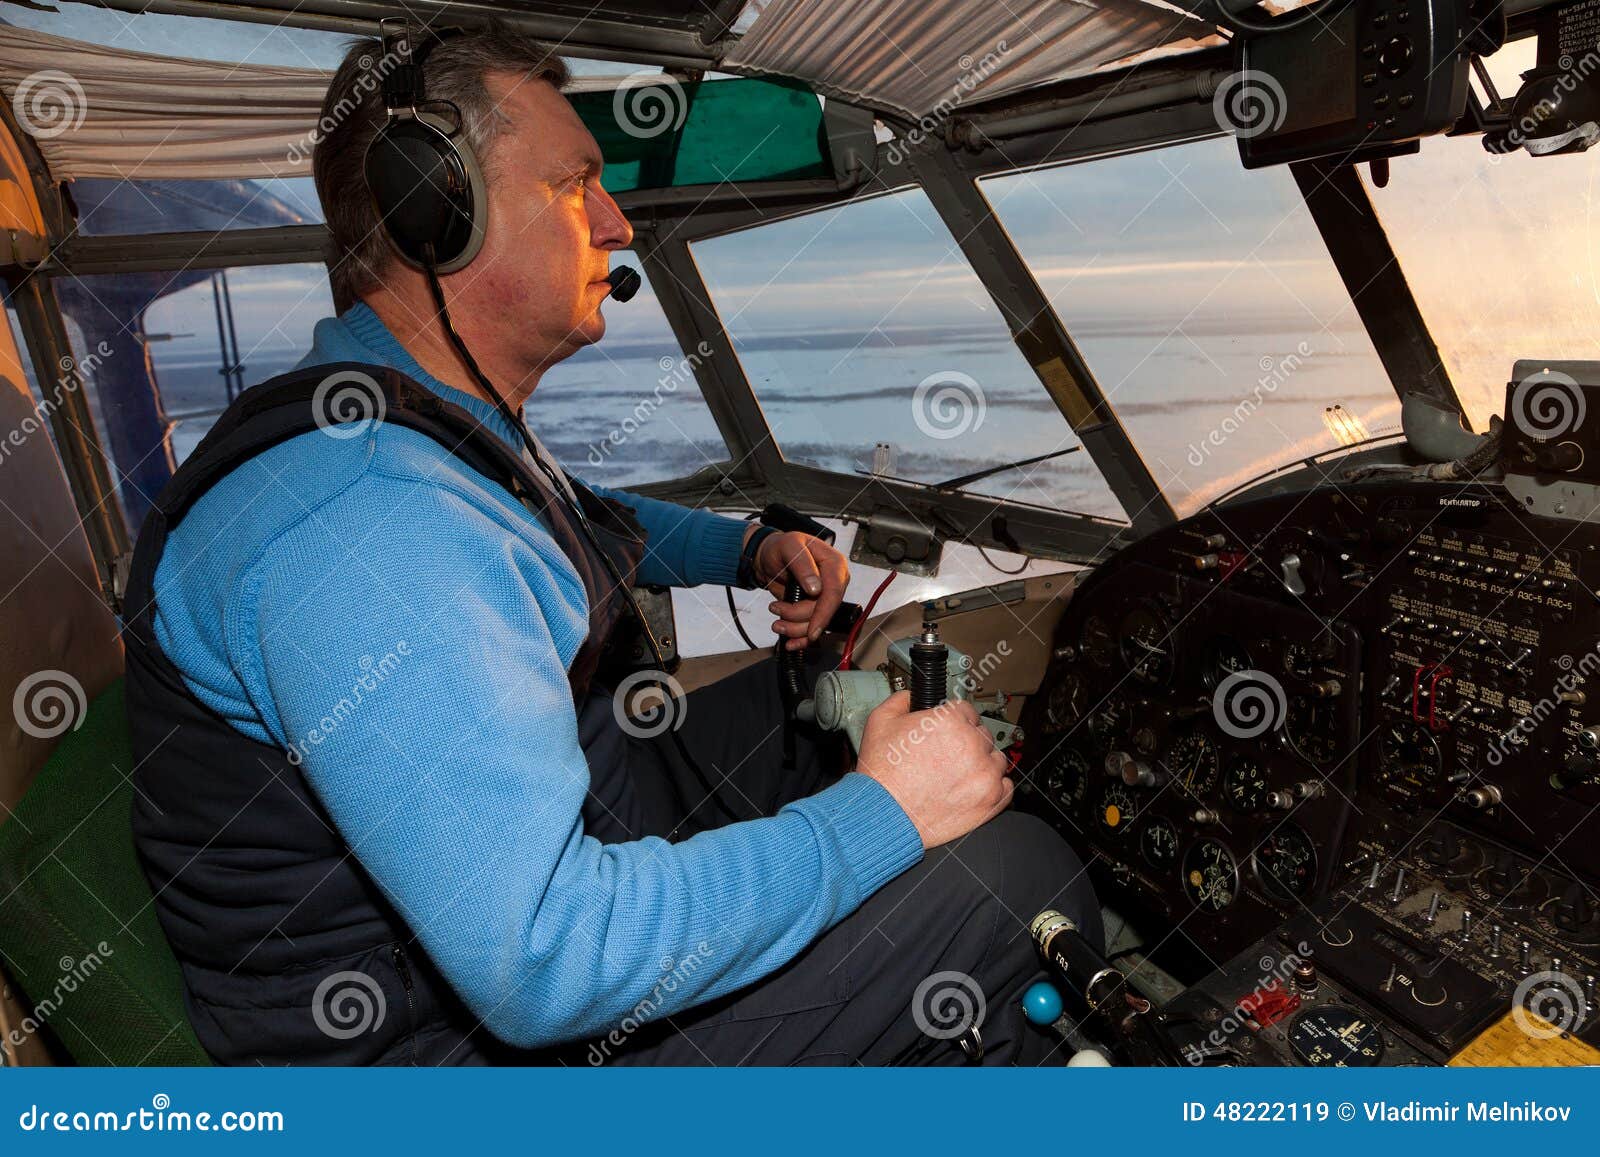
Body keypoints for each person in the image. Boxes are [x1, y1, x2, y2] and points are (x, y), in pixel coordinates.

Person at [124, 21, 1100, 1067]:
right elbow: (545, 961)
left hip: (531, 876)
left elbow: (569, 507)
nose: (618, 225)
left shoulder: (400, 426)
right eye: (573, 183)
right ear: (434, 210)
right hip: (443, 1061)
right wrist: (886, 814)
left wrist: (745, 549)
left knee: (807, 707)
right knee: (1010, 871)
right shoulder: (363, 524)